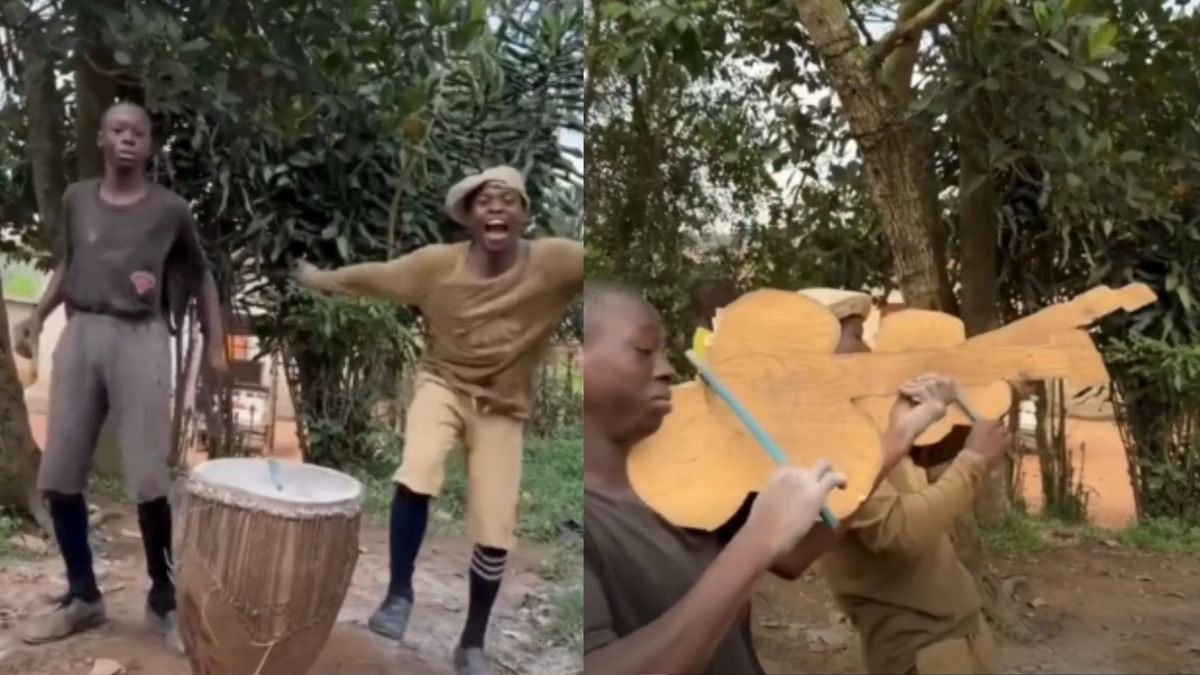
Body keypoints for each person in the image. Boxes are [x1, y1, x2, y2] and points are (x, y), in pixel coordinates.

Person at [581, 282, 972, 674]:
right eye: (644, 351)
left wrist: (896, 438)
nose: (666, 369)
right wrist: (758, 539)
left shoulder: (691, 471)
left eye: (664, 352)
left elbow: (792, 556)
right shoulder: (579, 519)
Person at [290, 166, 583, 675]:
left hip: (502, 407)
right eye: (485, 201)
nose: (495, 207)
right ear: (470, 217)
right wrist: (321, 280)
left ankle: (471, 643)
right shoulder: (437, 266)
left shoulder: (554, 262)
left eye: (507, 200)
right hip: (442, 383)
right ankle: (398, 594)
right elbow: (379, 276)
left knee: (494, 524)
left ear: (523, 214)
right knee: (418, 468)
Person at [13, 102, 227, 650]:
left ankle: (163, 598)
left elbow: (201, 277)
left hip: (142, 337)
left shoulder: (171, 210)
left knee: (149, 477)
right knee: (59, 472)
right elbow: (68, 266)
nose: (127, 139)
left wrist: (216, 350)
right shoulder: (77, 198)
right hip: (82, 332)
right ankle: (84, 596)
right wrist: (37, 316)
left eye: (138, 131)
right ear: (102, 138)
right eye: (117, 130)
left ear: (149, 144)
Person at [798, 288, 1011, 675]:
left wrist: (962, 407)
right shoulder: (822, 442)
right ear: (817, 350)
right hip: (920, 648)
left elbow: (921, 458)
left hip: (955, 635)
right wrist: (974, 461)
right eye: (856, 336)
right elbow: (900, 530)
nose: (866, 350)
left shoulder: (859, 420)